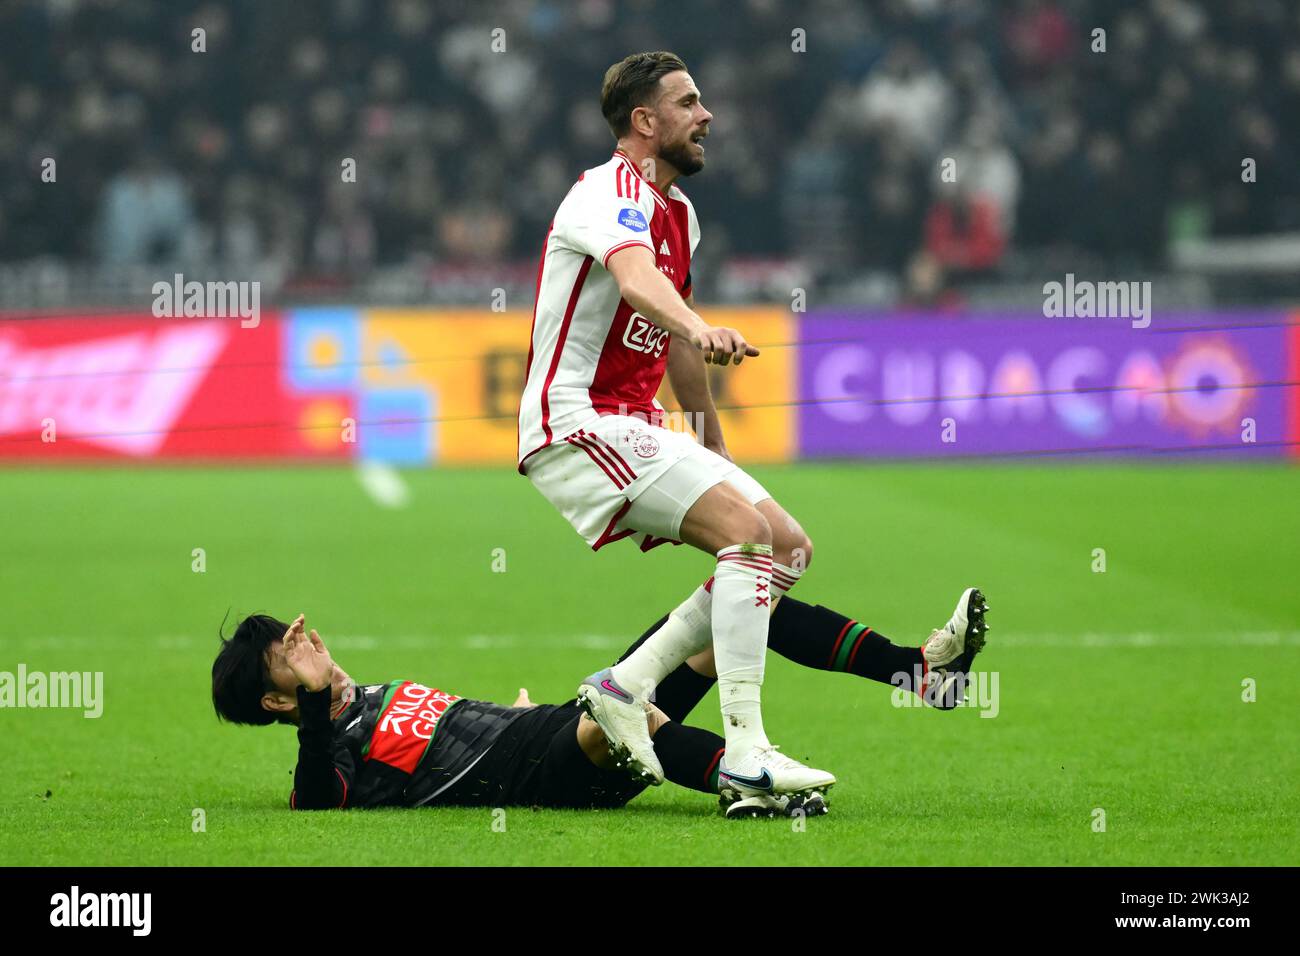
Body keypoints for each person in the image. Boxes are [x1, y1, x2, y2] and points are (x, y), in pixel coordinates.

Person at [515, 50, 831, 800]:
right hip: (576, 423)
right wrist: (698, 322)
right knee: (747, 538)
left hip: (638, 425)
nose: (707, 115)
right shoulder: (602, 193)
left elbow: (675, 349)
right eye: (689, 103)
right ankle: (748, 751)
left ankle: (626, 689)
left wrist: (713, 444)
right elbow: (636, 280)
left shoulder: (679, 213)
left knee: (785, 546)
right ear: (645, 121)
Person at [210, 590, 988, 818]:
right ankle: (745, 784)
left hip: (539, 729)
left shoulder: (373, 698)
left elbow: (453, 742)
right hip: (547, 772)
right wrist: (317, 712)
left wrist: (513, 713)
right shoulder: (333, 749)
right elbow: (315, 803)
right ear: (282, 702)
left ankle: (920, 673)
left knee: (740, 604)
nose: (316, 651)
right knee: (620, 720)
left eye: (303, 641)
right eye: (295, 658)